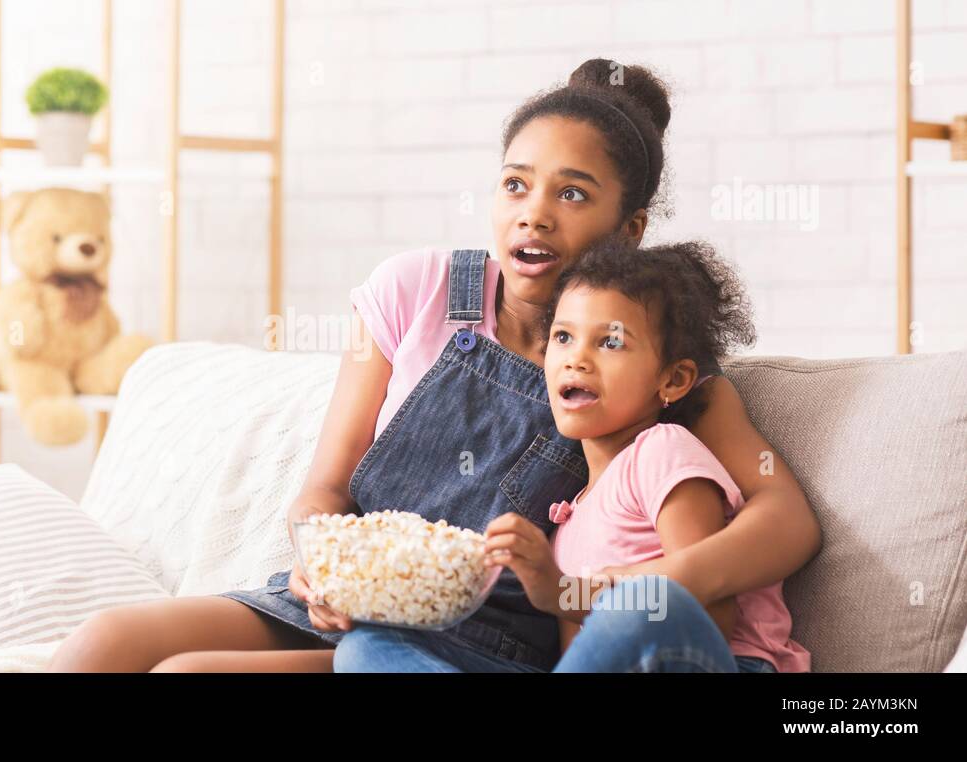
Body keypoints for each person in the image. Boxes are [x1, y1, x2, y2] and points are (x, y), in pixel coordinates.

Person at [46, 58, 821, 673]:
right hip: (350, 599)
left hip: (483, 641)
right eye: (515, 183)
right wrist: (321, 563)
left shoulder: (652, 367)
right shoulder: (410, 290)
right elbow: (326, 484)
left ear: (630, 227)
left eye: (573, 194)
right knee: (103, 645)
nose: (535, 212)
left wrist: (638, 594)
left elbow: (784, 520)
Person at [335, 240, 812, 672]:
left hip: (708, 659)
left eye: (610, 342)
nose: (576, 358)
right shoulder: (570, 509)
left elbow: (707, 614)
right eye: (562, 337)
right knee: (365, 649)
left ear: (673, 380)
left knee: (630, 617)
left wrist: (565, 592)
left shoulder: (663, 453)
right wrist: (553, 588)